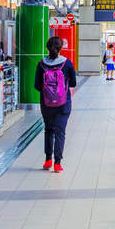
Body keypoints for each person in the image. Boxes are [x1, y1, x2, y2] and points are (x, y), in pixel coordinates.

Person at [35, 36, 76, 172]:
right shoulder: (67, 63)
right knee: (60, 132)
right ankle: (57, 163)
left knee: (48, 130)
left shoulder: (41, 64)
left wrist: (49, 91)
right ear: (61, 48)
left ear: (47, 47)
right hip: (63, 103)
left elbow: (37, 86)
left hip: (46, 103)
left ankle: (48, 160)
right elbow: (73, 83)